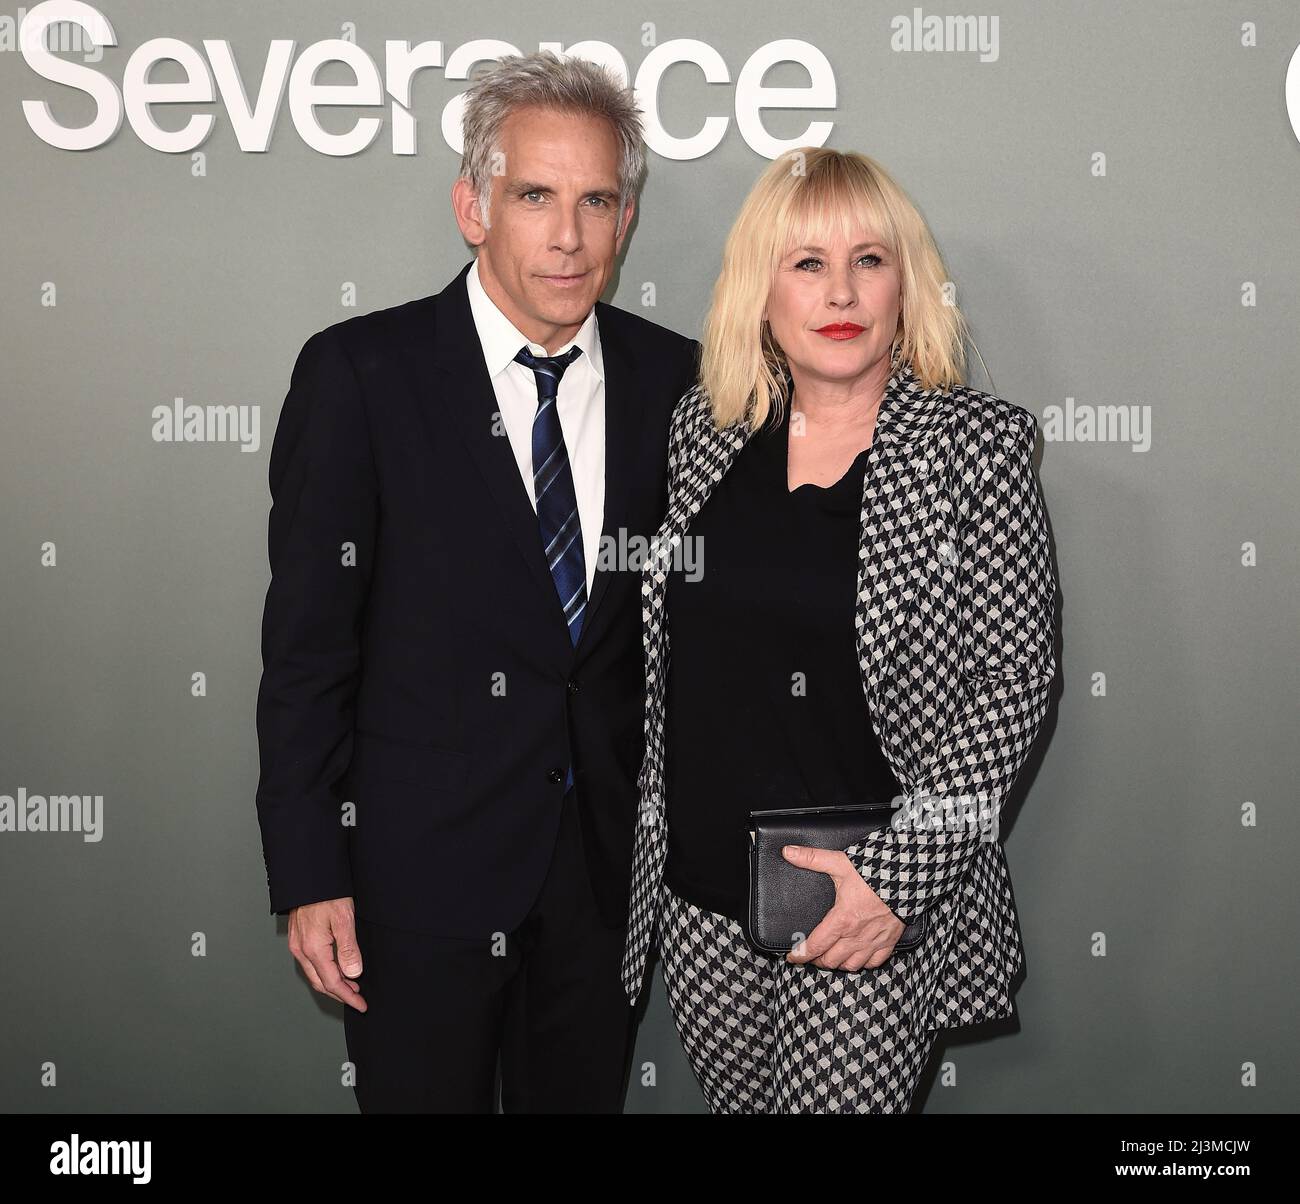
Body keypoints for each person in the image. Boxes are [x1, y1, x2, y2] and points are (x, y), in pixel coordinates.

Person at [254, 50, 699, 1113]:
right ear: (472, 206)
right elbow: (309, 649)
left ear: (625, 219)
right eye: (534, 195)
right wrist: (310, 868)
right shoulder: (361, 372)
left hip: (601, 886)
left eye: (597, 200)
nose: (568, 233)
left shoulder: (675, 380)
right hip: (414, 882)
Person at [620, 147, 1058, 1113]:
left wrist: (893, 883)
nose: (842, 291)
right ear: (761, 289)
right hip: (701, 899)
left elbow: (1014, 686)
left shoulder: (975, 447)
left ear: (907, 281)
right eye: (807, 263)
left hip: (866, 899)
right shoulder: (705, 430)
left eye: (870, 259)